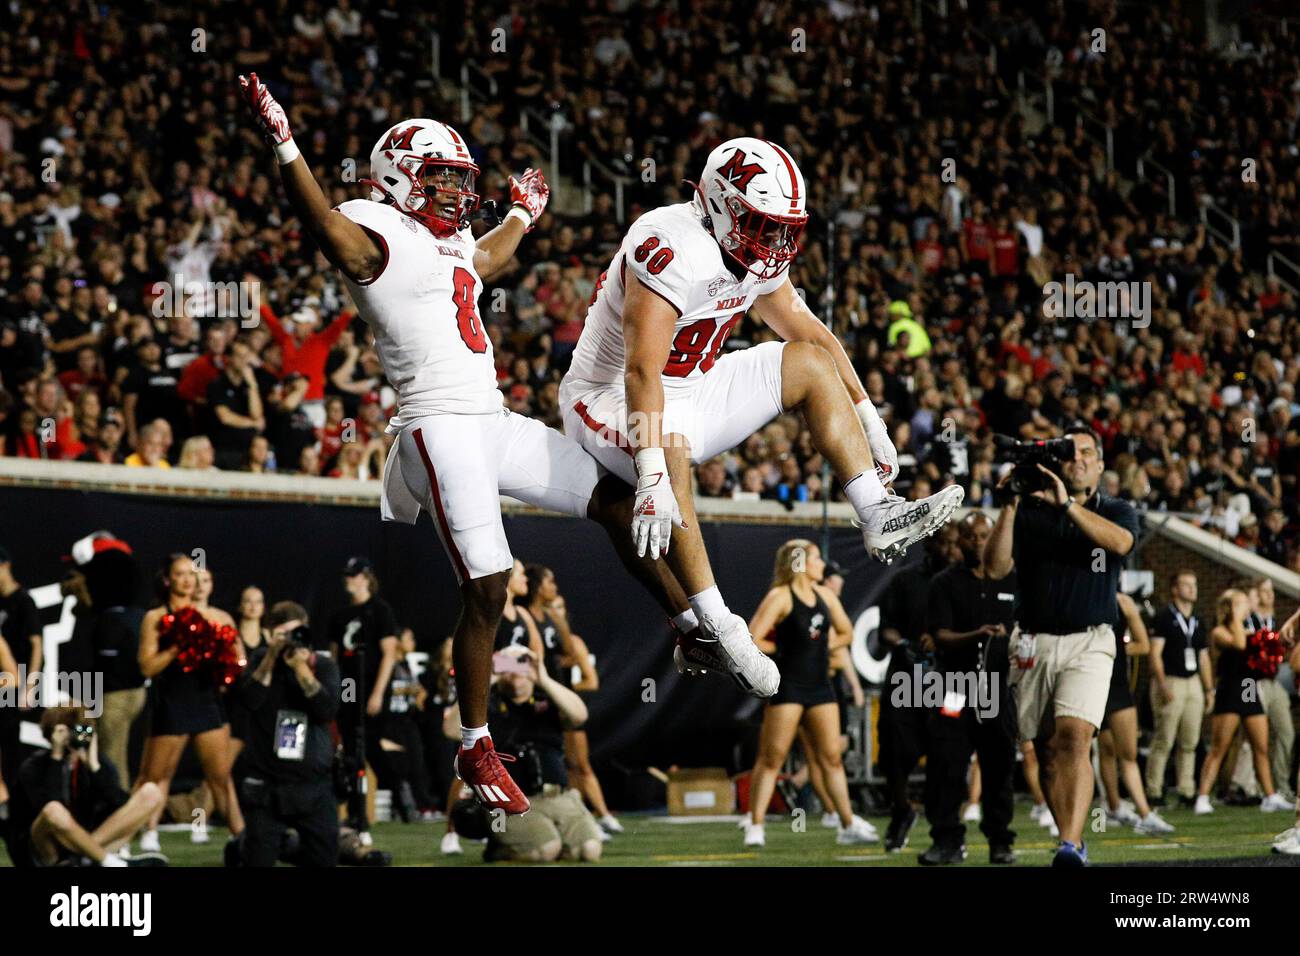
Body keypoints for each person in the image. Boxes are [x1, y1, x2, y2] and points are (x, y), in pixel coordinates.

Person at [239, 75, 706, 818]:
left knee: (617, 502)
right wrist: (286, 145)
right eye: (442, 179)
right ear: (397, 177)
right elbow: (331, 233)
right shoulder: (371, 228)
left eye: (461, 181)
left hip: (490, 417)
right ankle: (475, 741)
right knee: (490, 588)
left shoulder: (444, 236)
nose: (456, 194)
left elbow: (483, 263)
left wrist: (521, 213)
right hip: (437, 424)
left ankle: (689, 624)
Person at [559, 137, 963, 694]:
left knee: (809, 363)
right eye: (763, 224)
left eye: (782, 227)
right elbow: (641, 373)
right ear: (722, 206)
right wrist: (651, 473)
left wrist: (868, 418)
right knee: (669, 445)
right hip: (610, 395)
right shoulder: (669, 244)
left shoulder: (748, 248)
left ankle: (875, 509)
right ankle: (720, 624)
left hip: (694, 385)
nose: (774, 241)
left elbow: (809, 331)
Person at [985, 426, 1141, 867]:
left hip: (1090, 640)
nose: (1078, 460)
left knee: (1075, 738)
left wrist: (1067, 505)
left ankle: (1069, 846)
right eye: (1070, 453)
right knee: (1047, 752)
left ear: (1100, 464)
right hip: (1034, 640)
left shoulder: (1116, 509)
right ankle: (1072, 839)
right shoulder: (1031, 510)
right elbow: (995, 568)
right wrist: (1011, 507)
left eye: (1087, 453)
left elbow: (1120, 543)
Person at [742, 539, 877, 848]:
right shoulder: (781, 596)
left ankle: (847, 824)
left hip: (820, 686)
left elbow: (847, 632)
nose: (822, 565)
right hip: (788, 685)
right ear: (800, 563)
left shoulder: (826, 596)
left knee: (831, 757)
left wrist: (818, 646)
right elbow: (751, 637)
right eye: (816, 558)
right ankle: (755, 824)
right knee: (772, 757)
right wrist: (783, 649)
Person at [921, 512, 1019, 865]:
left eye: (984, 535)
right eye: (971, 536)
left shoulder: (1014, 581)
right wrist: (977, 635)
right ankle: (946, 840)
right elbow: (941, 635)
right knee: (947, 761)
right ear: (959, 541)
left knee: (999, 765)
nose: (978, 541)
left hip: (996, 686)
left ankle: (1000, 840)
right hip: (953, 686)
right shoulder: (944, 583)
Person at [446, 644, 604, 862]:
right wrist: (487, 678)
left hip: (558, 796)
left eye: (521, 663)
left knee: (589, 851)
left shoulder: (548, 701)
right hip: (513, 801)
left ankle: (532, 838)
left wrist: (543, 679)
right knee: (545, 851)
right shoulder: (486, 705)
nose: (515, 670)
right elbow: (451, 730)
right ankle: (499, 849)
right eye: (507, 663)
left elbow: (579, 716)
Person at [134, 553, 245, 854]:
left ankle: (243, 839)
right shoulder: (156, 617)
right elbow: (146, 667)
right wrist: (174, 649)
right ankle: (144, 836)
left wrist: (228, 671)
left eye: (190, 574)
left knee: (220, 777)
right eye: (180, 574)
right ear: (167, 579)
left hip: (207, 701)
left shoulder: (214, 619)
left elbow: (236, 662)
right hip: (172, 701)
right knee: (155, 777)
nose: (187, 579)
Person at [231, 602, 341, 867]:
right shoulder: (260, 660)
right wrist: (271, 656)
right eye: (283, 634)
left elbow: (326, 710)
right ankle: (238, 849)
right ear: (270, 635)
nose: (291, 640)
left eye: (297, 632)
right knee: (257, 859)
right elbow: (249, 700)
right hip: (267, 785)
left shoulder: (322, 665)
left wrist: (300, 668)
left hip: (313, 786)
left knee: (324, 857)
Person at [877, 524, 961, 851]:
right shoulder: (904, 580)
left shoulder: (966, 581)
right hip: (906, 678)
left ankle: (944, 826)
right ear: (930, 544)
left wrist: (944, 641)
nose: (952, 549)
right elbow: (886, 629)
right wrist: (905, 646)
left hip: (953, 681)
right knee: (895, 749)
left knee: (949, 749)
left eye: (957, 543)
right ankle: (902, 809)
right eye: (946, 542)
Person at [6, 707, 166, 867]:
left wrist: (95, 767)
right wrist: (56, 757)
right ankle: (111, 862)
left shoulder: (95, 763)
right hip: (44, 849)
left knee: (151, 793)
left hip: (86, 840)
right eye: (69, 730)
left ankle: (84, 859)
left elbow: (118, 804)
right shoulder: (34, 766)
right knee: (53, 810)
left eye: (83, 730)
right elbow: (49, 809)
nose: (77, 736)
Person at [1194, 588, 1292, 814]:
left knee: (1261, 746)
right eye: (1240, 603)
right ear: (1230, 608)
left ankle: (1269, 796)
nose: (1246, 606)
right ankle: (1202, 797)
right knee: (1220, 746)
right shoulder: (1220, 631)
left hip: (1249, 688)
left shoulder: (1251, 629)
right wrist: (1237, 617)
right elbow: (1238, 644)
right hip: (1230, 690)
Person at [327, 556, 399, 836]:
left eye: (354, 575)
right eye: (347, 575)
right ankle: (357, 814)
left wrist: (378, 693)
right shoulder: (339, 616)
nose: (349, 579)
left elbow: (389, 654)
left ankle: (398, 793)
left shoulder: (380, 611)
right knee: (351, 752)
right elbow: (334, 658)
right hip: (346, 690)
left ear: (367, 577)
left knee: (366, 747)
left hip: (370, 689)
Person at [1098, 591, 1175, 834]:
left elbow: (1143, 644)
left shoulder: (1122, 601)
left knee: (1127, 752)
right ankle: (1113, 806)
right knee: (1105, 749)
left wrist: (1117, 650)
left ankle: (1144, 813)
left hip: (1117, 684)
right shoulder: (1082, 592)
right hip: (1093, 682)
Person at [1144, 570, 1212, 807]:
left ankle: (1187, 789)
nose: (1192, 589)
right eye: (1186, 584)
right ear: (1175, 589)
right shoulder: (1163, 616)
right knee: (1164, 738)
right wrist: (1162, 683)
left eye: (1194, 584)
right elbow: (1155, 653)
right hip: (1171, 679)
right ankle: (1154, 789)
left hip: (1193, 681)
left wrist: (1209, 688)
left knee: (1190, 740)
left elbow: (1203, 657)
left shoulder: (1198, 619)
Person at [0, 545, 41, 807]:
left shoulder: (23, 601)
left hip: (12, 681)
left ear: (6, 565)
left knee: (10, 747)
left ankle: (15, 806)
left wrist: (30, 684)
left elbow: (37, 644)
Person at [1248, 577, 1294, 801]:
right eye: (1264, 590)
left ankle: (1281, 785)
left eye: (1271, 590)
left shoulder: (1276, 620)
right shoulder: (1247, 618)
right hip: (1249, 682)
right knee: (1250, 736)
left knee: (1287, 732)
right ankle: (1249, 786)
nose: (1270, 595)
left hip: (1273, 681)